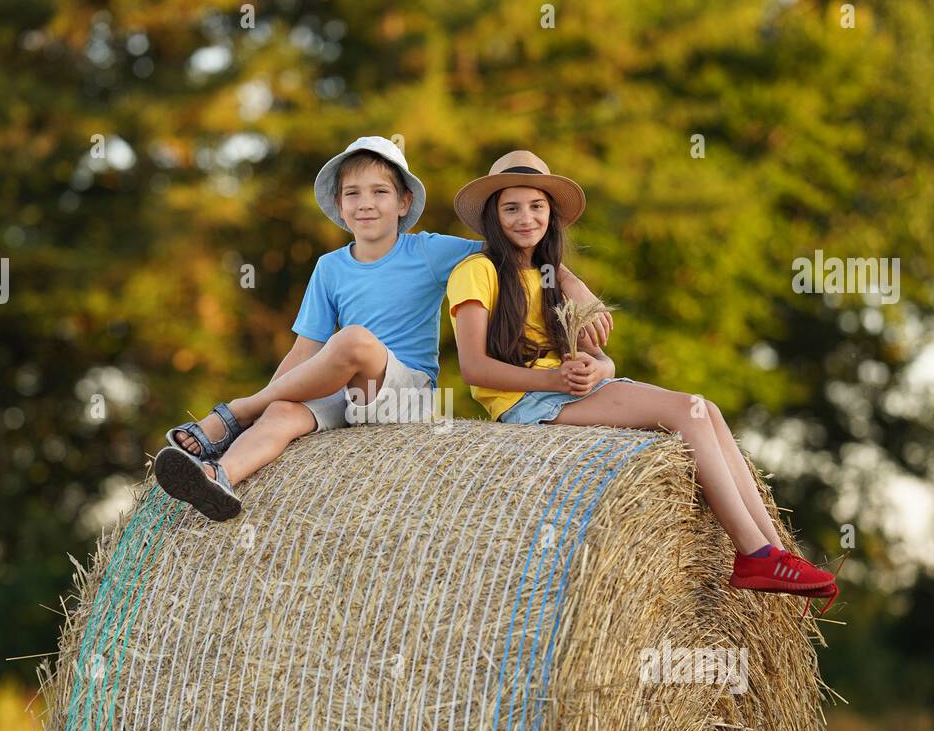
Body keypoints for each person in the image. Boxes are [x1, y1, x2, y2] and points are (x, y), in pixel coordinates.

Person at [444, 150, 838, 611]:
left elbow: (602, 362)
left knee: (704, 409)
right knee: (684, 411)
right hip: (524, 404)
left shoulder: (551, 277)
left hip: (565, 391)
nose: (525, 217)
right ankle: (753, 553)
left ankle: (780, 554)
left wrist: (597, 368)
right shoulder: (477, 271)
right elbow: (473, 368)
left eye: (536, 206)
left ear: (551, 214)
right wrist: (555, 380)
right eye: (511, 208)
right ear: (493, 216)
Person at [153, 136, 613, 520]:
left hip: (405, 395)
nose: (366, 204)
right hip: (348, 394)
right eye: (353, 194)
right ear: (339, 205)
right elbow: (304, 352)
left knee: (354, 341)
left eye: (379, 192)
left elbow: (516, 247)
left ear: (404, 202)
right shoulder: (329, 268)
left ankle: (234, 413)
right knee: (282, 414)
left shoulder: (429, 252)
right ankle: (220, 477)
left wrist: (573, 282)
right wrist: (280, 394)